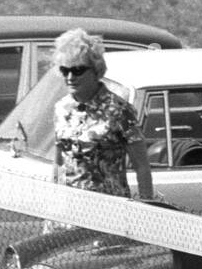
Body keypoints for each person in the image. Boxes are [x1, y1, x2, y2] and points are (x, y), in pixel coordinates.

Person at [51, 28, 155, 199]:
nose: (70, 77)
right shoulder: (61, 108)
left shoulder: (120, 110)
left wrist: (148, 206)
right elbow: (58, 162)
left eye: (78, 70)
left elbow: (141, 166)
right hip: (67, 207)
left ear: (96, 70)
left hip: (108, 208)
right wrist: (52, 198)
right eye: (64, 70)